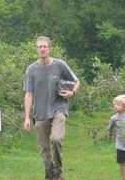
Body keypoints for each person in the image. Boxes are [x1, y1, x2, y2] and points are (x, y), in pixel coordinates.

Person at [23, 35, 80, 180]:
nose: (42, 49)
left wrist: (72, 92)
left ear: (49, 48)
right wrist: (27, 117)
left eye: (45, 46)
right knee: (44, 148)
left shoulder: (59, 65)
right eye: (39, 46)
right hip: (40, 113)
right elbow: (29, 94)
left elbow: (76, 81)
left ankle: (58, 173)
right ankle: (50, 175)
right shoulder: (31, 69)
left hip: (59, 108)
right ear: (37, 49)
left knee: (56, 139)